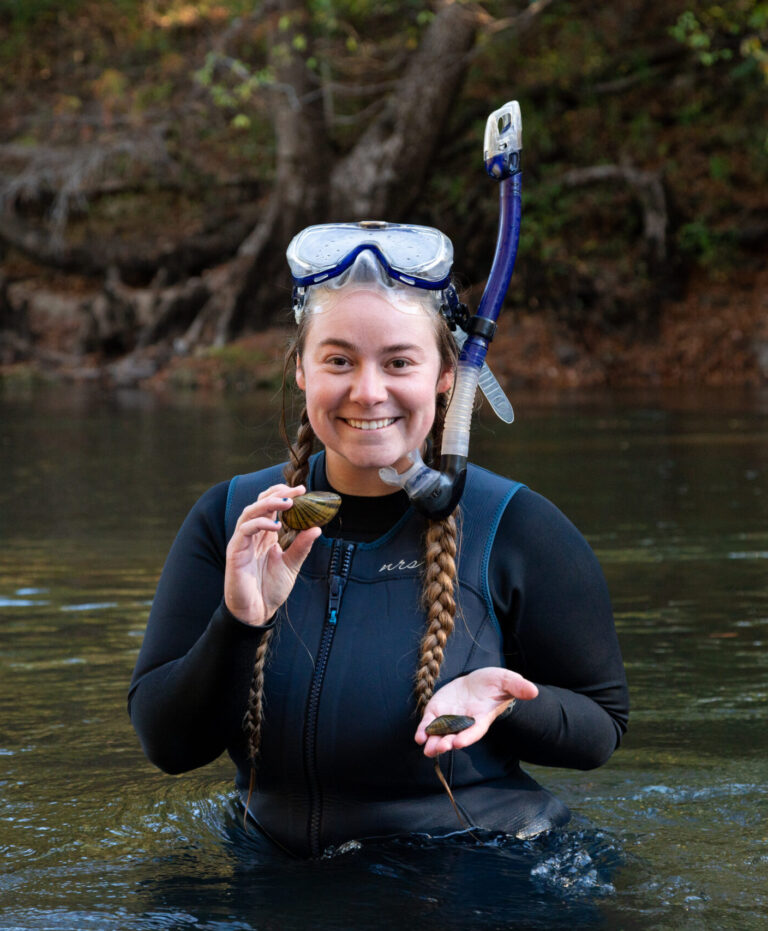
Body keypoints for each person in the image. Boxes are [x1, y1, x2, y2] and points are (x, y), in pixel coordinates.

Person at [128, 222, 629, 859]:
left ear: (448, 374)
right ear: (302, 370)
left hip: (483, 879)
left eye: (398, 362)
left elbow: (601, 729)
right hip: (272, 881)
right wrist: (238, 622)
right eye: (338, 360)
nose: (368, 391)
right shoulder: (233, 520)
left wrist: (506, 707)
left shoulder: (519, 527)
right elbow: (168, 748)